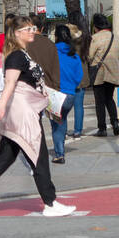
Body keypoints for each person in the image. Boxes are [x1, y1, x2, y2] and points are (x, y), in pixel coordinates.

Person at [0, 16, 75, 217]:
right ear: (17, 33)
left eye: (33, 28)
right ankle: (50, 203)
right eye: (28, 29)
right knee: (38, 155)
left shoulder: (21, 53)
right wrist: (2, 106)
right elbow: (10, 83)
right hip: (22, 112)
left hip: (24, 110)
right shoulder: (16, 56)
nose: (32, 31)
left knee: (5, 156)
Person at [50, 24, 83, 164]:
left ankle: (59, 153)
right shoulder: (73, 54)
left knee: (57, 123)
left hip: (56, 93)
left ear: (56, 37)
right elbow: (79, 76)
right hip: (70, 94)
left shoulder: (51, 53)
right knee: (61, 120)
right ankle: (60, 146)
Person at [87, 13, 119, 137]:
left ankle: (102, 128)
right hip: (112, 72)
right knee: (109, 99)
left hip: (99, 73)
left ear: (96, 26)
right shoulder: (115, 37)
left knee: (99, 102)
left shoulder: (96, 38)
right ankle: (115, 122)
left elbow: (90, 55)